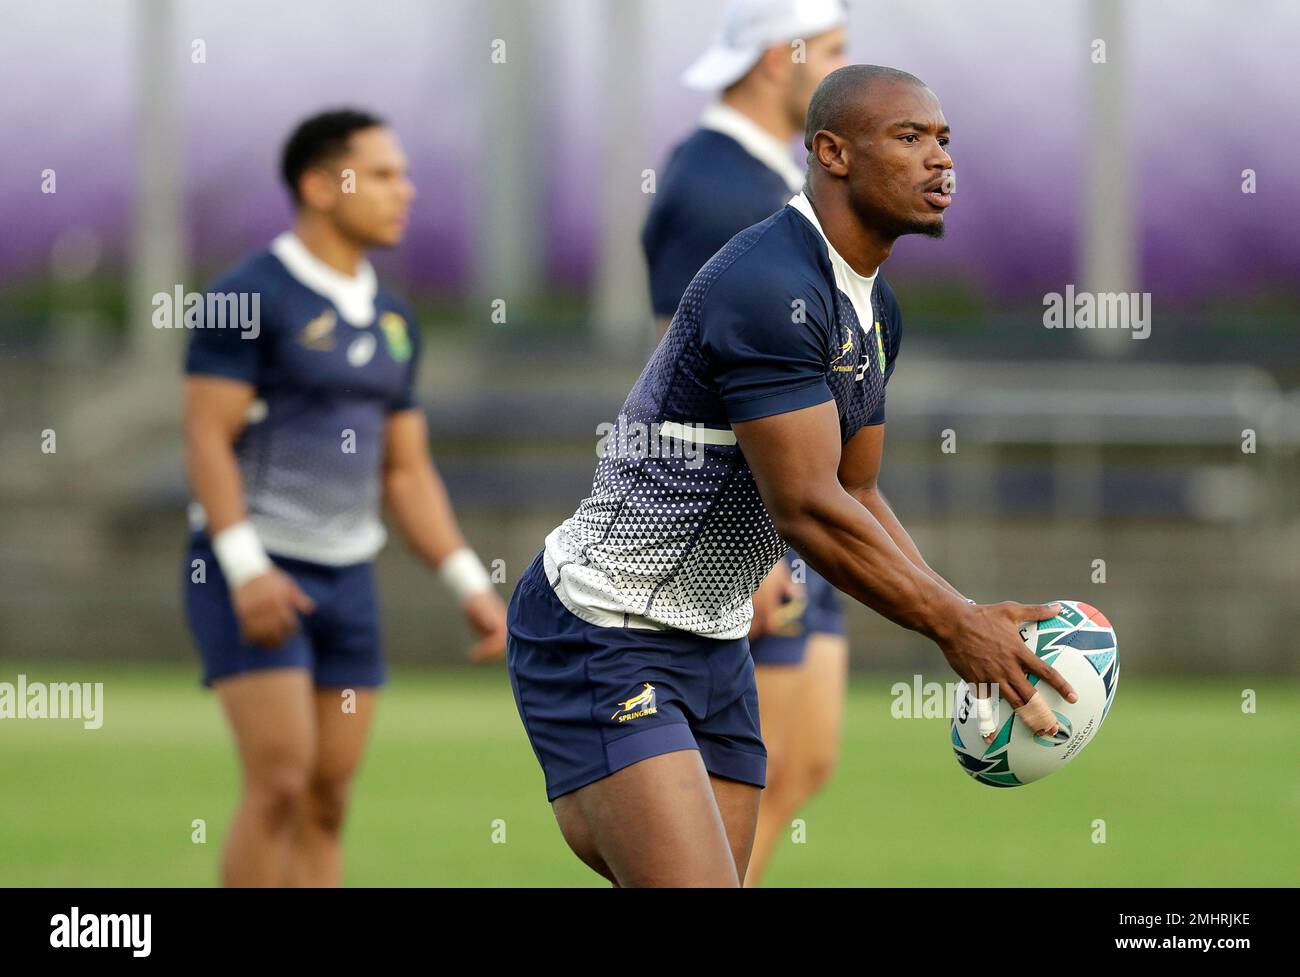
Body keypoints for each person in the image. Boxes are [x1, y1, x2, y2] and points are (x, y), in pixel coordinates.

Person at [506, 66, 1076, 887]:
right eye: (910, 138)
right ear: (832, 152)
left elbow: (858, 491)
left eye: (945, 141)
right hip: (605, 629)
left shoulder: (877, 311)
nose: (940, 161)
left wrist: (966, 611)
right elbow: (805, 507)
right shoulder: (769, 284)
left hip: (717, 639)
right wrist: (953, 626)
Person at [181, 108, 507, 887]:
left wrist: (467, 581)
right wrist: (245, 567)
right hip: (257, 570)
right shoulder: (247, 295)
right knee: (281, 781)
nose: (408, 191)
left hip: (348, 577)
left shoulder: (394, 318)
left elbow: (405, 472)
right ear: (321, 185)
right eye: (386, 174)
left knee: (328, 797)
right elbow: (203, 438)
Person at [639, 0, 851, 885]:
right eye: (833, 51)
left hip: (799, 507)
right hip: (754, 521)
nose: (845, 69)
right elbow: (686, 379)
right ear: (778, 58)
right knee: (736, 791)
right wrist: (743, 546)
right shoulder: (713, 184)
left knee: (800, 765)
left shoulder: (765, 177)